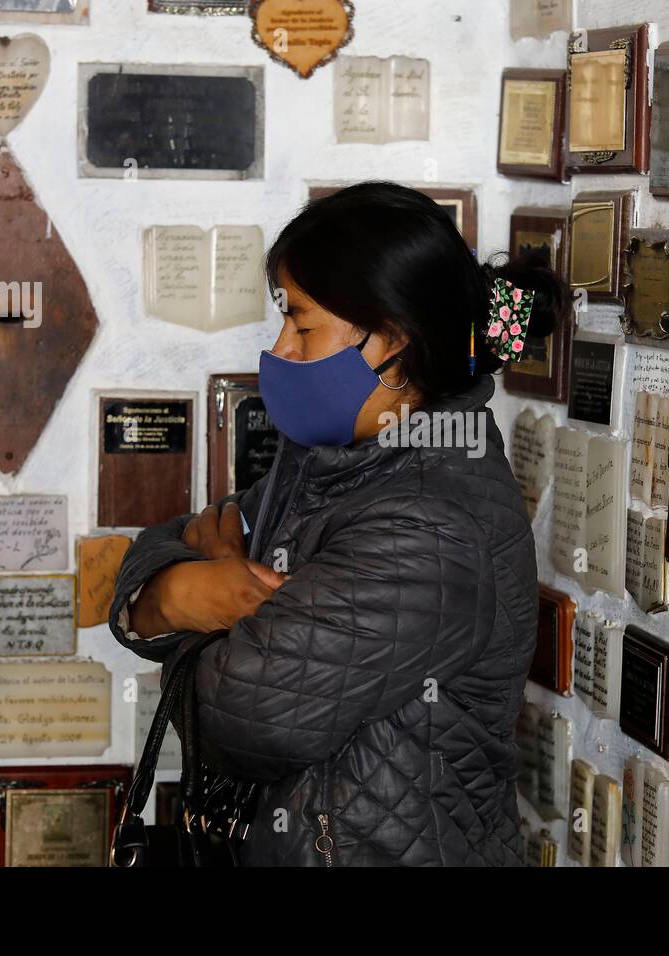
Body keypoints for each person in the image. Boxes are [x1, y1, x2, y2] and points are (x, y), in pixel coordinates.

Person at [109, 181, 567, 866]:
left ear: (396, 342)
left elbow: (244, 716)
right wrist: (175, 594)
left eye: (301, 326)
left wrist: (182, 604)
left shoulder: (432, 526)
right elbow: (164, 542)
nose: (280, 351)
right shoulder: (331, 462)